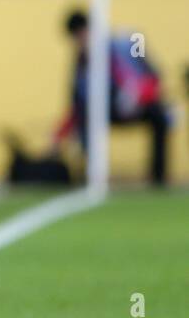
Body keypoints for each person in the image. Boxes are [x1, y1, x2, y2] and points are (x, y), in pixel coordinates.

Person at [52, 10, 170, 186]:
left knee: (159, 115)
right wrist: (59, 135)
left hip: (135, 104)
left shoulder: (124, 46)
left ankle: (158, 179)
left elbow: (154, 78)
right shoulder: (80, 65)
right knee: (86, 117)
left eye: (82, 34)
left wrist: (138, 94)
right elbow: (76, 106)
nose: (81, 40)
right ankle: (90, 175)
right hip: (105, 112)